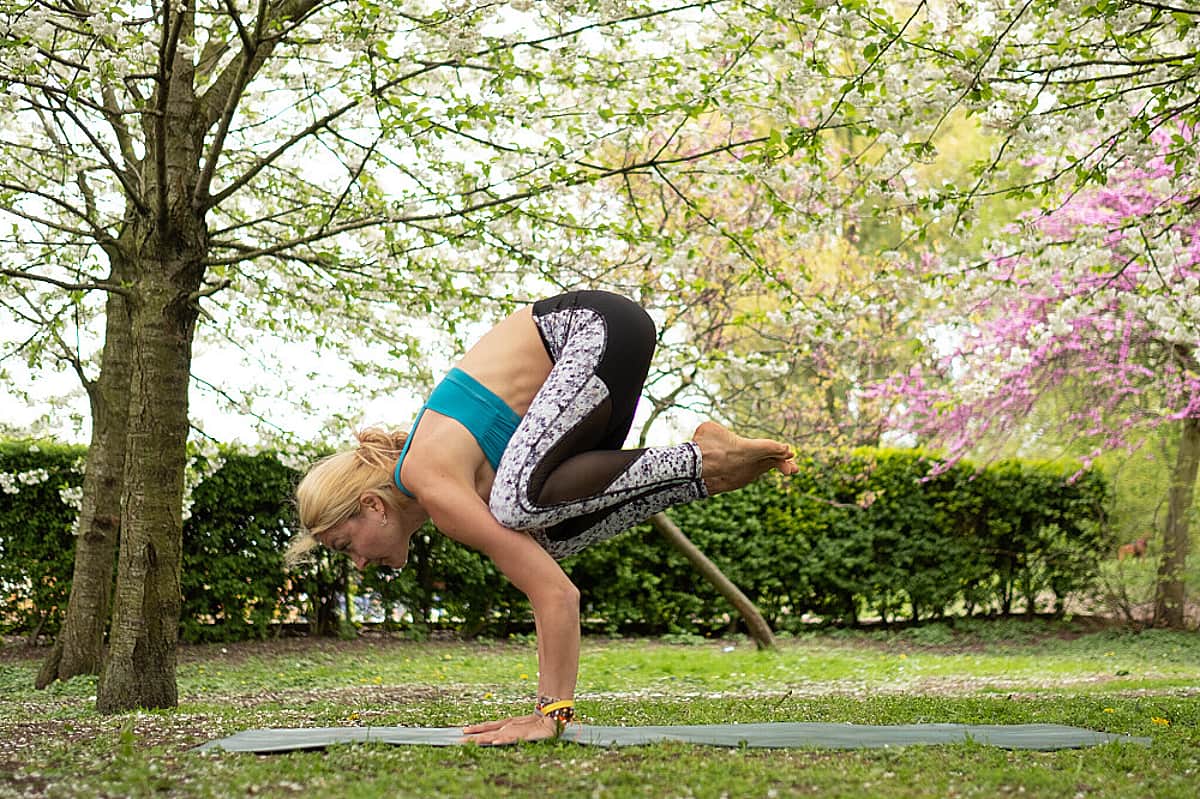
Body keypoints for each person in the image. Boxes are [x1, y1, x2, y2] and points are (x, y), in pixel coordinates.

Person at [289, 289, 797, 744]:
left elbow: (555, 593)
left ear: (373, 507)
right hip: (606, 352)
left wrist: (550, 714)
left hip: (593, 329)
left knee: (516, 507)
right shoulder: (444, 478)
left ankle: (701, 458)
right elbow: (549, 570)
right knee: (542, 534)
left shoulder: (430, 482)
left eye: (344, 545)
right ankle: (705, 471)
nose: (356, 564)